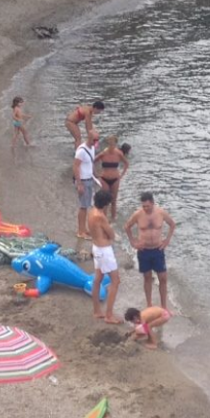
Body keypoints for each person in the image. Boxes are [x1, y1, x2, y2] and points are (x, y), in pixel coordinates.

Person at [125, 191, 175, 310]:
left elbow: (172, 224)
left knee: (163, 278)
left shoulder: (161, 212)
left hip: (158, 250)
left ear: (152, 203)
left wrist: (167, 240)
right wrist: (133, 242)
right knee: (147, 278)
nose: (145, 208)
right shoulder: (138, 214)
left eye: (147, 206)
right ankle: (149, 304)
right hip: (144, 250)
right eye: (143, 206)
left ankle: (164, 306)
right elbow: (127, 226)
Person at [87, 189, 121, 324]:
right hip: (104, 250)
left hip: (96, 247)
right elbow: (111, 234)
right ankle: (109, 315)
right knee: (115, 281)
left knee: (98, 278)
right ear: (105, 204)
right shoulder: (100, 216)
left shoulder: (91, 212)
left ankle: (97, 310)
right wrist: (110, 234)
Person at [72, 129, 99, 239]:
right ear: (89, 138)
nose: (96, 142)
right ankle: (80, 231)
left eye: (97, 139)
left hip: (89, 179)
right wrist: (79, 184)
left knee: (87, 205)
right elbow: (75, 166)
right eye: (94, 140)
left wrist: (96, 175)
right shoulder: (81, 151)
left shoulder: (92, 148)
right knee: (83, 206)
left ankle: (84, 229)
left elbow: (91, 163)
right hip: (83, 180)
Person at [94, 135, 127, 222]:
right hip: (104, 178)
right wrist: (95, 173)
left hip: (115, 179)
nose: (111, 146)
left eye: (113, 144)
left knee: (113, 200)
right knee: (105, 200)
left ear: (116, 144)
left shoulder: (119, 153)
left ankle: (113, 220)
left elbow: (126, 164)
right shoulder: (104, 153)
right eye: (110, 144)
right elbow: (92, 161)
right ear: (108, 144)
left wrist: (122, 175)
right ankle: (104, 219)